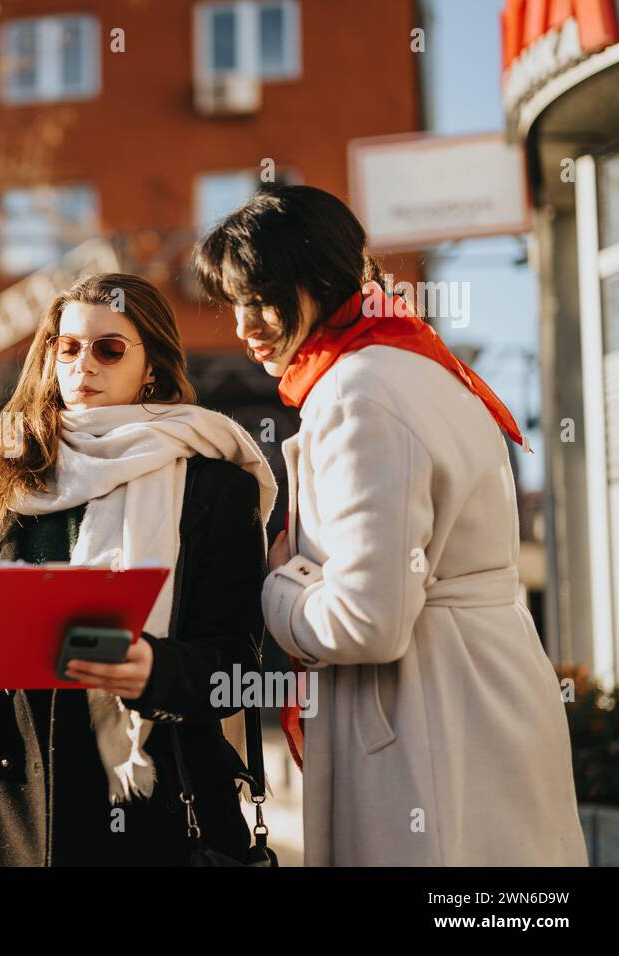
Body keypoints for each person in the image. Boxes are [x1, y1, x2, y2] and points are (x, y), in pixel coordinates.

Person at [195, 183, 587, 866]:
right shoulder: (422, 364)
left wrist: (278, 583)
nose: (244, 326)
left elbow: (365, 621)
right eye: (235, 303)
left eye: (260, 298)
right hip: (478, 696)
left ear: (319, 280)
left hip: (423, 717)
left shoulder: (359, 393)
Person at [0, 273, 278, 866]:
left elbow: (237, 661)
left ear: (153, 367)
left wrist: (152, 669)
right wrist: (14, 621)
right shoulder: (12, 468)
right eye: (68, 347)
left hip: (161, 808)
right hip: (18, 809)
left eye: (109, 349)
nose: (84, 364)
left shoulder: (215, 482)